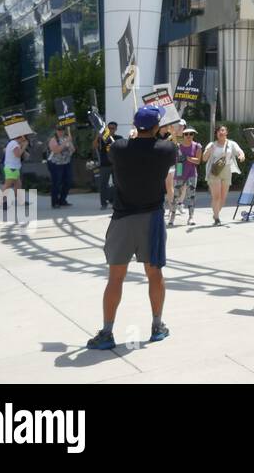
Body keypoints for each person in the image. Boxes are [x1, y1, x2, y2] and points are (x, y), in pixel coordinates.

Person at [86, 105, 178, 350]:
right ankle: (157, 326)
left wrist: (126, 137)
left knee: (115, 278)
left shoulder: (119, 149)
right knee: (155, 275)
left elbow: (114, 145)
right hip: (152, 220)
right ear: (157, 126)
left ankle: (107, 332)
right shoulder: (167, 150)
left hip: (122, 219)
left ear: (136, 126)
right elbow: (167, 145)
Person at [204, 125, 245, 226]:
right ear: (216, 134)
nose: (220, 132)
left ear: (226, 132)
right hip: (215, 171)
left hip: (226, 170)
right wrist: (208, 151)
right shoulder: (212, 144)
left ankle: (216, 213)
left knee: (223, 197)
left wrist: (241, 156)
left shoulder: (231, 144)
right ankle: (217, 218)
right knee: (216, 196)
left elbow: (240, 151)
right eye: (218, 131)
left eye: (222, 130)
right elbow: (204, 158)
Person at [168, 126, 202, 227]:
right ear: (183, 135)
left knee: (191, 195)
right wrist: (172, 130)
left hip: (192, 172)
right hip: (179, 170)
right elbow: (173, 137)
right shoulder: (178, 146)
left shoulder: (197, 146)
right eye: (186, 134)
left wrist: (187, 158)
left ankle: (191, 217)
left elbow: (198, 161)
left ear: (193, 135)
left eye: (191, 134)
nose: (188, 136)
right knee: (176, 196)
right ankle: (172, 216)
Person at [1, 131, 32, 215]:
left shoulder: (14, 143)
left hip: (15, 168)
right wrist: (24, 146)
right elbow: (17, 154)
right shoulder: (14, 144)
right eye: (24, 137)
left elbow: (22, 154)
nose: (25, 138)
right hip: (12, 168)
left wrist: (23, 147)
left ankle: (11, 201)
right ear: (21, 137)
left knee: (18, 185)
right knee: (7, 185)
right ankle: (2, 202)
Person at [46, 126, 76, 208]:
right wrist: (66, 141)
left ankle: (63, 200)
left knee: (68, 182)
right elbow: (56, 150)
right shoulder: (53, 139)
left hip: (66, 163)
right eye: (59, 130)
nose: (61, 131)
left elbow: (73, 150)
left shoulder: (67, 138)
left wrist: (70, 144)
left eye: (62, 130)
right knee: (56, 183)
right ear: (56, 131)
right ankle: (55, 202)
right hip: (55, 164)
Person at [94, 123, 121, 209]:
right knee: (103, 185)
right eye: (109, 128)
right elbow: (94, 146)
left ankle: (116, 202)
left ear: (116, 129)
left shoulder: (119, 138)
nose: (111, 130)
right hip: (105, 165)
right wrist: (97, 137)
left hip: (116, 164)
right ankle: (103, 203)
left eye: (113, 128)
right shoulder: (102, 138)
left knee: (117, 184)